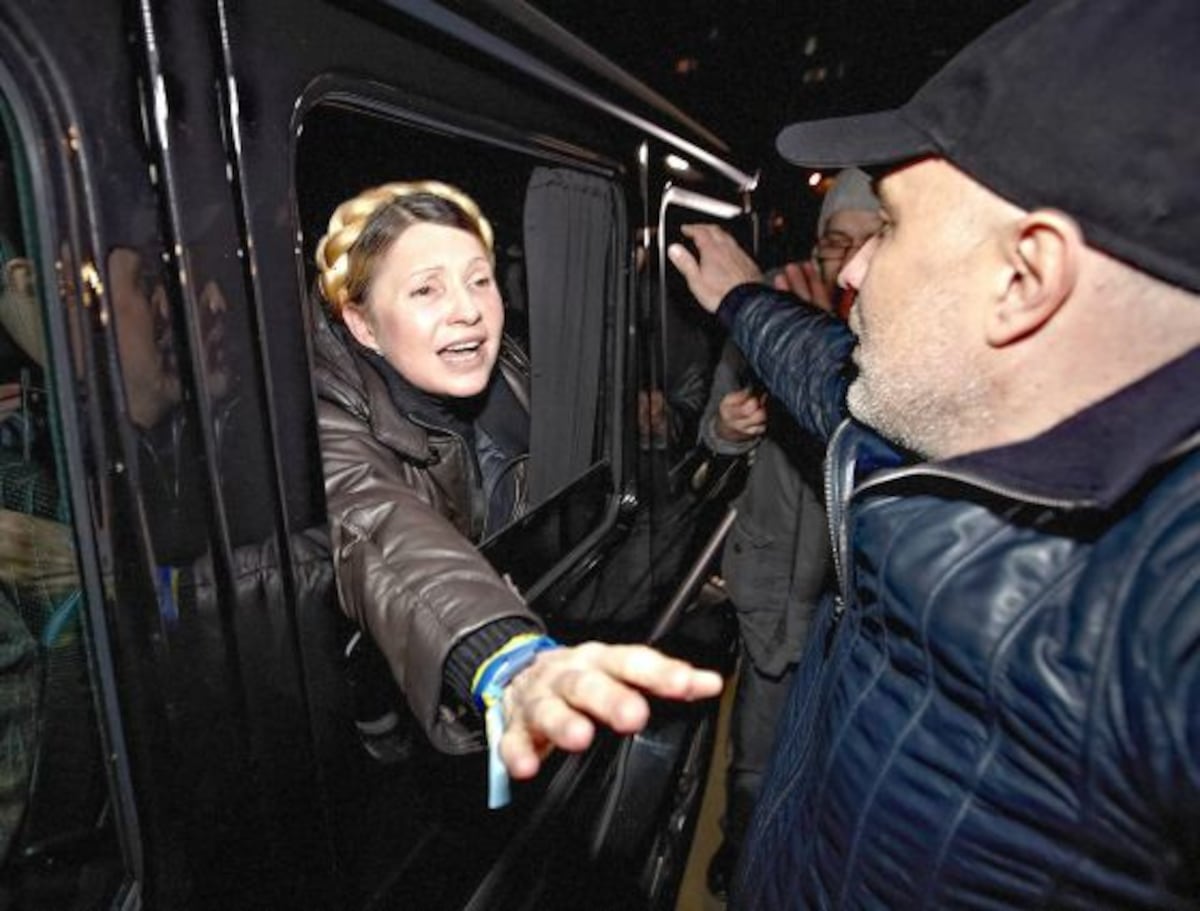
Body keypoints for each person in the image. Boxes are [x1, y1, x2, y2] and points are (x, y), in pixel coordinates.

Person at [668, 0, 1200, 906]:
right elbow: (822, 368)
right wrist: (741, 300)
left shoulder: (1166, 603)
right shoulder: (940, 415)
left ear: (1025, 277)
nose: (852, 270)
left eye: (893, 227)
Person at [310, 181, 721, 802]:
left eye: (479, 280)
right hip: (392, 733)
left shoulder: (520, 371)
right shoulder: (323, 419)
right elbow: (380, 529)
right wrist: (503, 657)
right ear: (362, 325)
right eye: (426, 289)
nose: (468, 310)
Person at [700, 168, 881, 900]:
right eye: (837, 240)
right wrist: (728, 428)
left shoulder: (909, 331)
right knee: (757, 742)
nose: (852, 258)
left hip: (854, 598)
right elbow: (710, 439)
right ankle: (739, 841)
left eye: (872, 238)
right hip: (774, 581)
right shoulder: (766, 307)